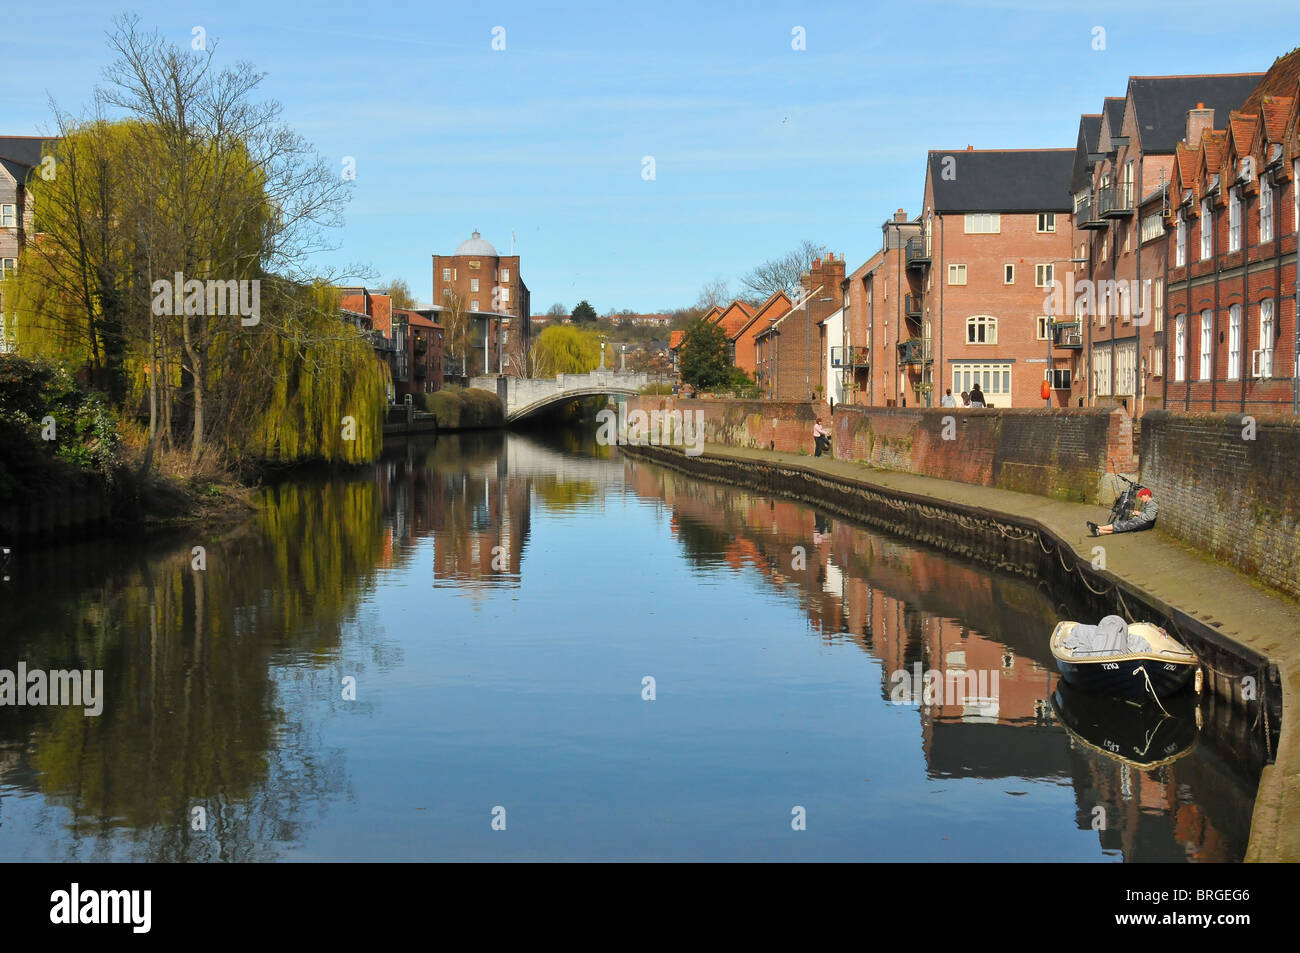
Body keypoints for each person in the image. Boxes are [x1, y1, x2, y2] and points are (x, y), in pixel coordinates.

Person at [1089, 487, 1157, 536]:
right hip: (1141, 521)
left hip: (1144, 524)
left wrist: (1139, 513)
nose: (1141, 499)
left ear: (1147, 495)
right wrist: (1138, 514)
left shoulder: (1153, 504)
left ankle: (1099, 527)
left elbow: (1150, 517)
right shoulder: (1149, 503)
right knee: (1123, 526)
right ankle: (1100, 532)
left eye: (1142, 497)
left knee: (1123, 525)